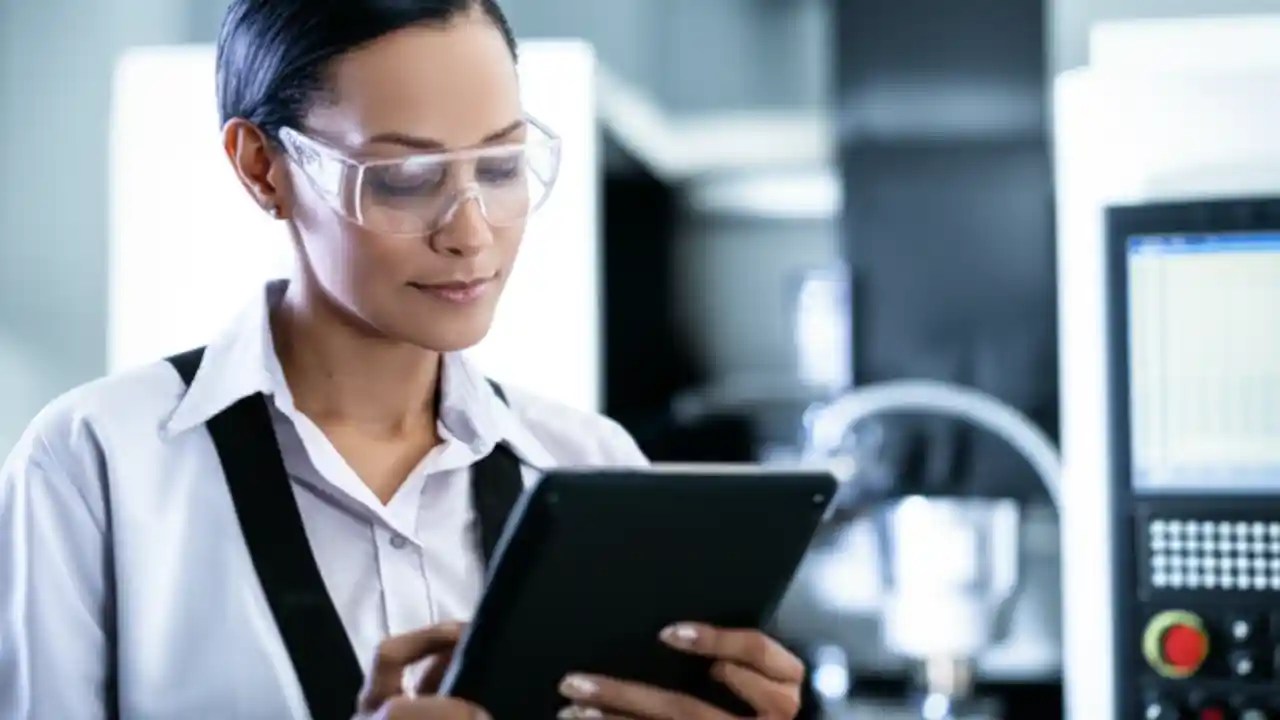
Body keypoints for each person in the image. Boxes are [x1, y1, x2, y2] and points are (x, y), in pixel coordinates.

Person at [0, 0, 807, 718]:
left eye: (500, 167)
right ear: (261, 168)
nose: (472, 233)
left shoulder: (590, 464)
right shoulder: (95, 461)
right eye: (405, 178)